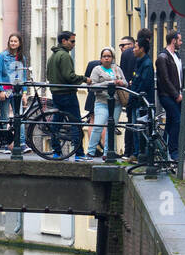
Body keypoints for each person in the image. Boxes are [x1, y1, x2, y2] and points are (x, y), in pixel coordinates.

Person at [45, 30, 88, 158]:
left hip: (56, 94)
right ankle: (79, 154)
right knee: (75, 123)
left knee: (56, 123)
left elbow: (48, 75)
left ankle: (57, 152)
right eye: (72, 41)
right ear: (64, 41)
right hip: (67, 94)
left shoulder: (52, 56)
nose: (74, 44)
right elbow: (69, 76)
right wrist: (85, 79)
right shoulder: (65, 56)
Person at [85, 47, 126, 159]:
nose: (107, 58)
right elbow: (92, 87)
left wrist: (121, 82)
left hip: (116, 103)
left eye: (109, 56)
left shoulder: (117, 69)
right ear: (101, 58)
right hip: (102, 102)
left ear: (112, 58)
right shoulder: (97, 69)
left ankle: (108, 152)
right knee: (98, 126)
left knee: (111, 128)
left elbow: (126, 83)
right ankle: (91, 151)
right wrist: (108, 83)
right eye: (104, 56)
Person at [0, 33, 29, 148]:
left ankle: (21, 142)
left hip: (17, 91)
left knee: (19, 116)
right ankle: (6, 143)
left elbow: (23, 76)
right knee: (4, 117)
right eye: (11, 41)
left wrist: (24, 93)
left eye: (15, 41)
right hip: (5, 90)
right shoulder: (2, 56)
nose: (13, 43)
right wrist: (1, 90)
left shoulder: (22, 58)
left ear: (19, 43)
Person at [155, 28, 184, 162]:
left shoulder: (176, 56)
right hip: (167, 95)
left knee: (171, 121)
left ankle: (163, 148)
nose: (181, 42)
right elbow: (164, 79)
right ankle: (174, 152)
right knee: (177, 120)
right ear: (173, 41)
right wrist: (176, 95)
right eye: (179, 40)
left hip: (176, 95)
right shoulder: (163, 57)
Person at [129, 34, 156, 157]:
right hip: (136, 102)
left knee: (140, 129)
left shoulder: (147, 64)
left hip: (141, 103)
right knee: (136, 129)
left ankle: (141, 154)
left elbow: (144, 83)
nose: (133, 49)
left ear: (141, 49)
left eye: (135, 47)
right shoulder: (140, 62)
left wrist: (135, 95)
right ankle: (137, 153)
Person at [118, 36, 137, 157]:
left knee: (130, 121)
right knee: (134, 122)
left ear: (132, 44)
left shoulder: (125, 55)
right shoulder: (130, 54)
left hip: (128, 92)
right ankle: (134, 151)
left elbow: (123, 74)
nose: (121, 48)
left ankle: (127, 151)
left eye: (123, 45)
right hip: (135, 92)